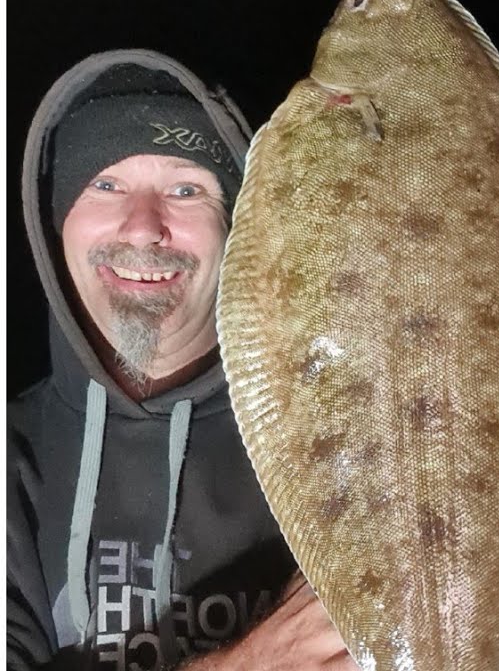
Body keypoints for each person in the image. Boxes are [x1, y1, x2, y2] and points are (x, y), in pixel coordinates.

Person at [7, 49, 356, 670]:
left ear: (237, 229)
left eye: (185, 189)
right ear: (55, 224)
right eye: (105, 184)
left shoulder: (345, 444)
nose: (143, 228)